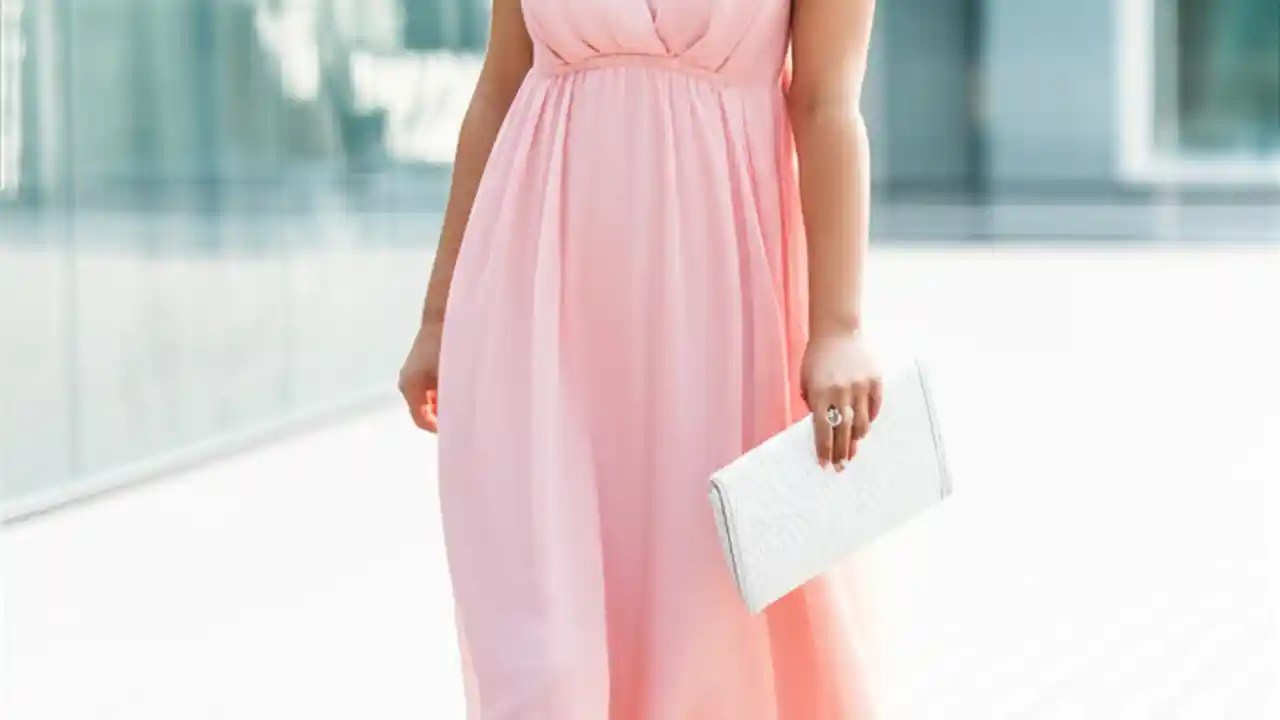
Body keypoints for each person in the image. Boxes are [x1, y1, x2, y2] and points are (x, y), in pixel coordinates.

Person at [399, 0, 884, 716]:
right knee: (544, 640)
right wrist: (440, 315)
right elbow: (501, 81)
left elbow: (826, 103)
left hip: (721, 305)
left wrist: (837, 326)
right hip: (538, 303)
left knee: (707, 624)